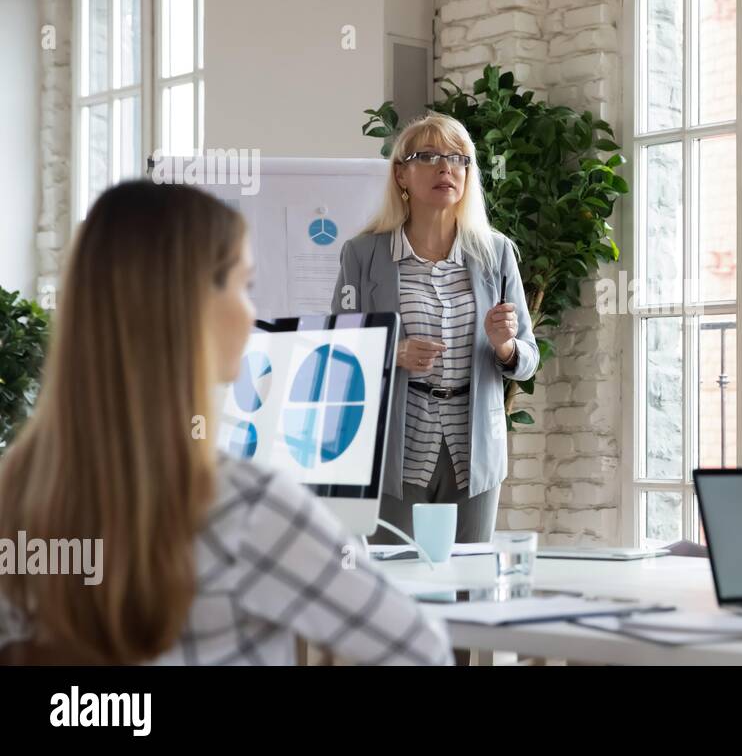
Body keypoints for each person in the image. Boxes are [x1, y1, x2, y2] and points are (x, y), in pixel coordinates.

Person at [0, 181, 450, 665]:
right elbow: (420, 654)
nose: (252, 312)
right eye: (244, 284)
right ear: (191, 306)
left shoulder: (16, 493)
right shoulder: (246, 506)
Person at [332, 113, 538, 544]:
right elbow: (339, 353)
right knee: (397, 580)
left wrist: (504, 347)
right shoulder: (363, 254)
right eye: (427, 156)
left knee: (469, 584)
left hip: (473, 446)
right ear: (401, 174)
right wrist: (394, 353)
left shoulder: (495, 252)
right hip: (395, 446)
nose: (446, 168)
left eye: (458, 158)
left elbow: (527, 361)